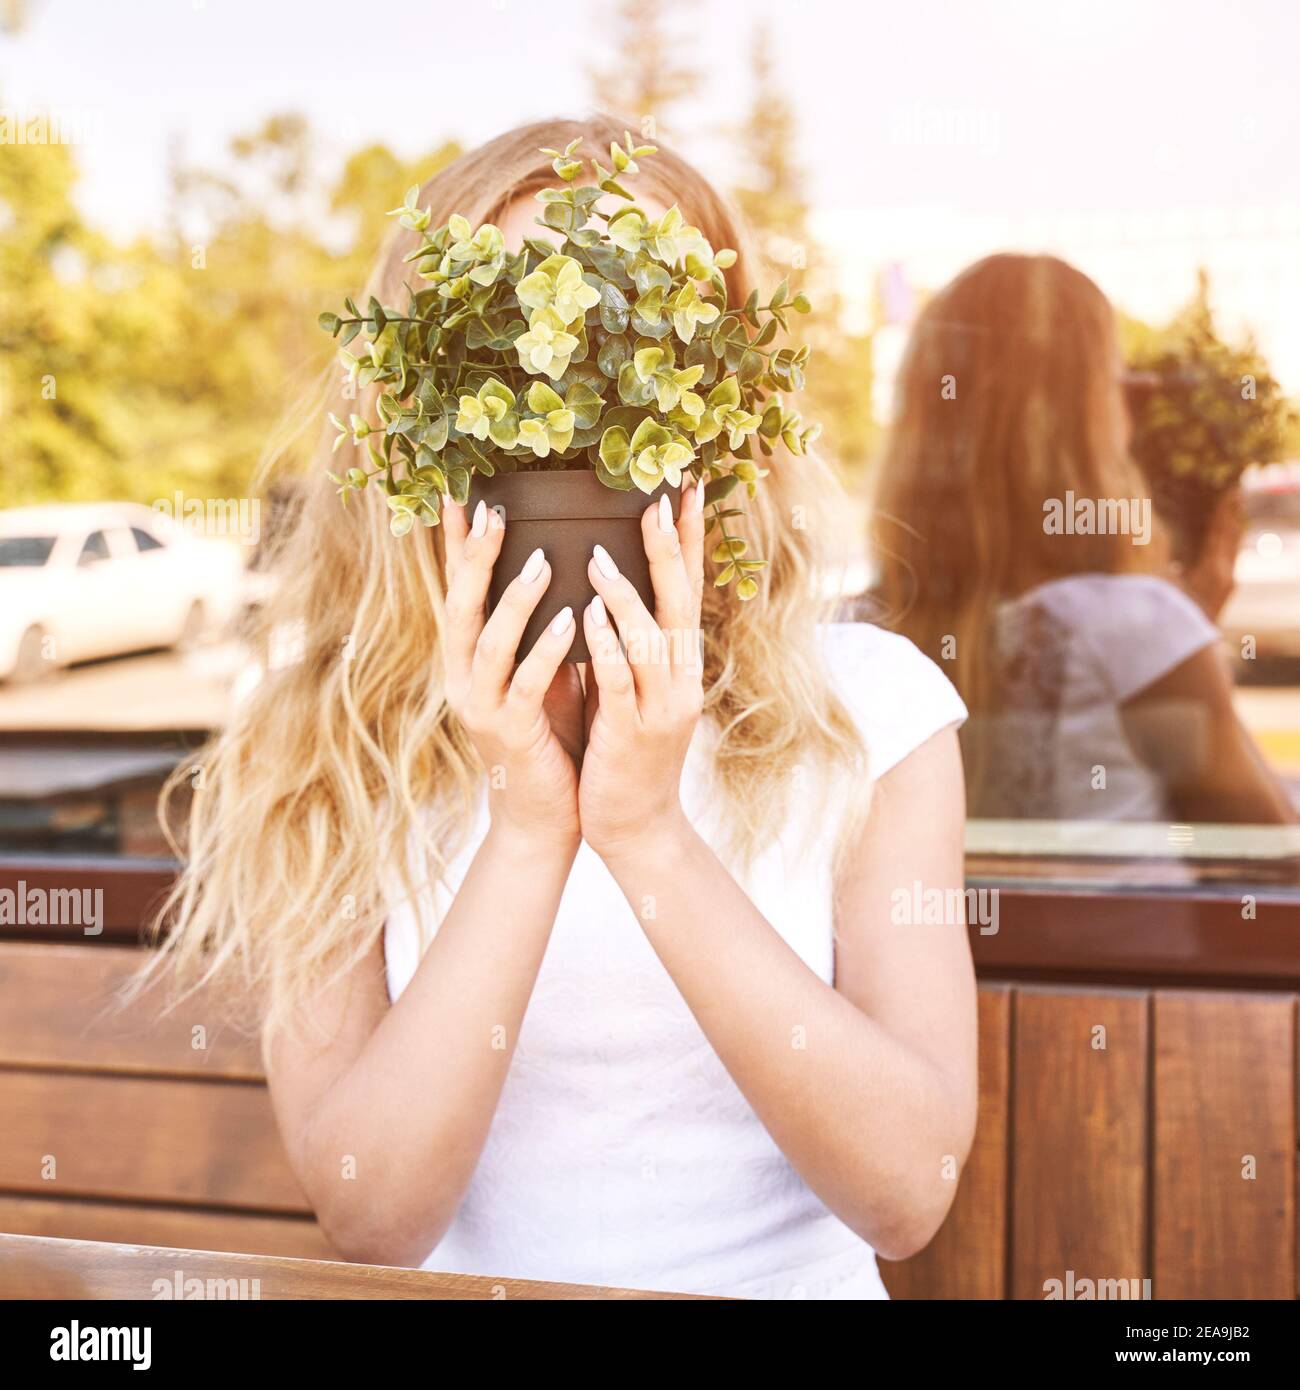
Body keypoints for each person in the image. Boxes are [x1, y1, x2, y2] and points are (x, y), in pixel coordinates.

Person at [147, 116, 976, 1300]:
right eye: (516, 372)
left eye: (623, 363)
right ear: (416, 422)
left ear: (717, 409)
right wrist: (531, 824)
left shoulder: (867, 710)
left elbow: (905, 1193)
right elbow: (373, 1214)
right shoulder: (321, 737)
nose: (578, 435)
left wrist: (647, 834)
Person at [871, 253, 1295, 826]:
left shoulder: (853, 631)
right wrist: (1182, 644)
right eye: (1117, 385)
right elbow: (1272, 864)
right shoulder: (1133, 627)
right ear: (1086, 422)